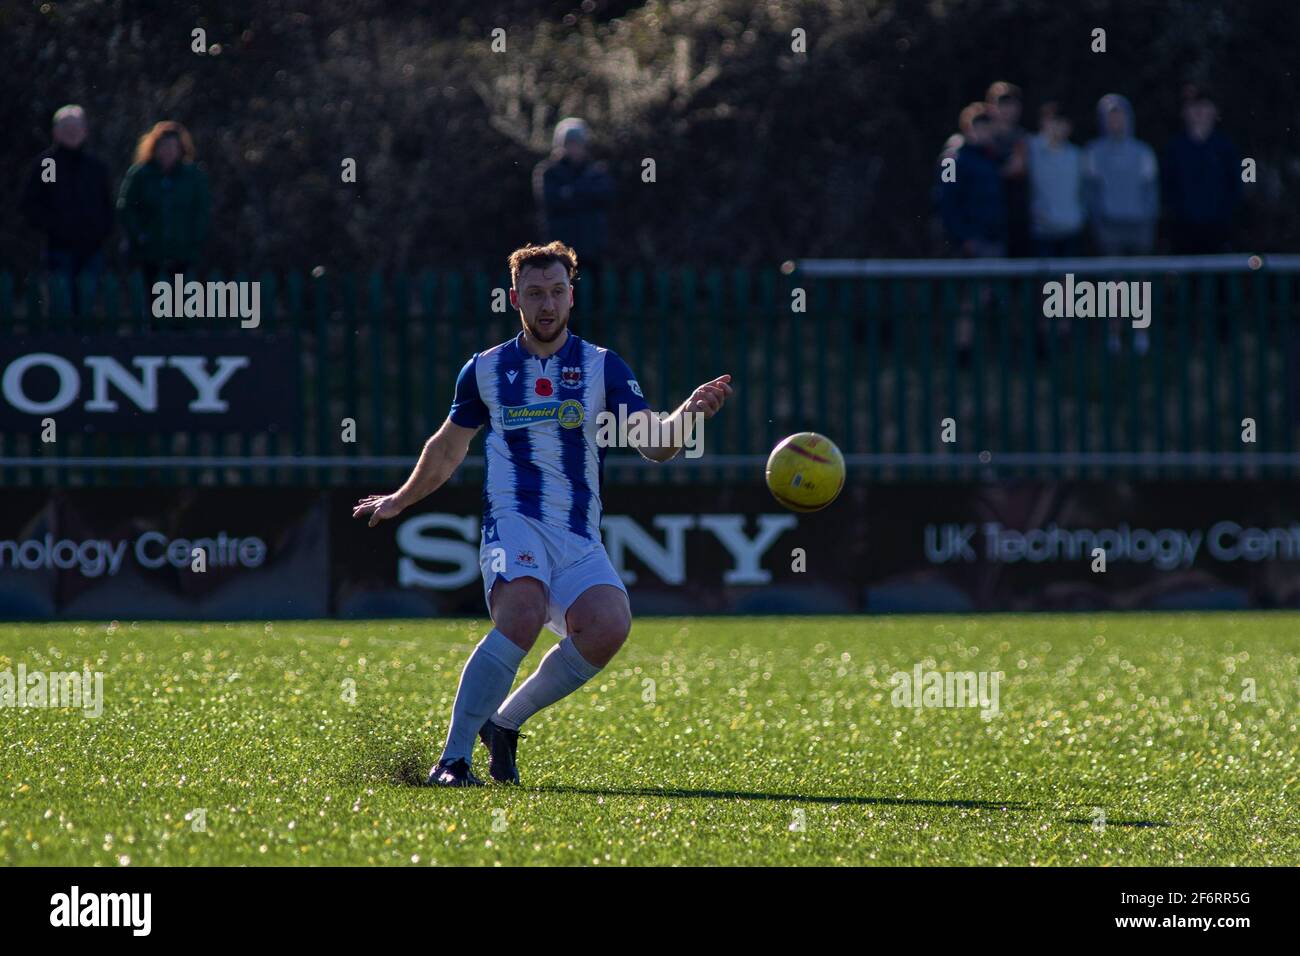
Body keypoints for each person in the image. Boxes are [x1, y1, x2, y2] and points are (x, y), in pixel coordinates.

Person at [352, 242, 733, 787]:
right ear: (515, 299)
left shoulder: (603, 366)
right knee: (522, 613)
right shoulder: (485, 369)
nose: (547, 303)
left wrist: (688, 415)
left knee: (608, 626)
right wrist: (399, 499)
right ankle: (452, 760)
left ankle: (504, 724)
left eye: (557, 291)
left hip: (577, 534)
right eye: (535, 293)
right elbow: (446, 449)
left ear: (571, 296)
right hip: (513, 522)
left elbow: (655, 444)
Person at [19, 105, 114, 314]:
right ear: (55, 132)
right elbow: (33, 204)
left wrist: (100, 232)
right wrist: (55, 227)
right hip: (59, 249)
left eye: (76, 127)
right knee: (61, 304)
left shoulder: (95, 167)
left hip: (92, 250)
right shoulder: (48, 166)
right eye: (66, 127)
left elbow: (108, 205)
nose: (72, 132)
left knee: (88, 304)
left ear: (85, 130)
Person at [117, 121, 211, 278]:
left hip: (183, 252)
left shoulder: (193, 176)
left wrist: (193, 238)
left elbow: (202, 209)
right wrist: (139, 235)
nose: (168, 151)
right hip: (147, 252)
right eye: (164, 146)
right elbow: (126, 207)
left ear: (181, 149)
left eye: (173, 146)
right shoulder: (140, 174)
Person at [1163, 87, 1240, 254]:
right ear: (1184, 112)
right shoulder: (1173, 148)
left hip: (1219, 229)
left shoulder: (1227, 148)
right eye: (1193, 107)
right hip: (1182, 231)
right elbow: (1167, 187)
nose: (1198, 112)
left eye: (1204, 106)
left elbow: (1236, 185)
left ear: (1215, 111)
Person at [533, 118, 615, 271]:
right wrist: (585, 193)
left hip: (593, 246)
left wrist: (571, 192)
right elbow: (551, 201)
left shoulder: (596, 171)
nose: (574, 148)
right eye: (569, 143)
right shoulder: (548, 171)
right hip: (561, 248)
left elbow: (605, 196)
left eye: (577, 143)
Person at [1082, 94, 1159, 256]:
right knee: (1113, 280)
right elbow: (1090, 192)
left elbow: (1151, 191)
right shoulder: (1093, 151)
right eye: (1110, 115)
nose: (1115, 120)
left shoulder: (1143, 151)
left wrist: (1147, 222)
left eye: (1119, 114)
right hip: (1108, 227)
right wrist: (1098, 223)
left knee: (1140, 280)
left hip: (1139, 227)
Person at [937, 102, 1008, 258]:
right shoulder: (951, 160)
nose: (987, 133)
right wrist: (963, 237)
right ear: (969, 128)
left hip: (992, 239)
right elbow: (945, 201)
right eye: (982, 128)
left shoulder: (994, 158)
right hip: (966, 243)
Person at [1027, 102, 1086, 257]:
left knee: (1067, 280)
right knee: (1044, 281)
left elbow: (1083, 190)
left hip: (1071, 229)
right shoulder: (1029, 150)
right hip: (1041, 231)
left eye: (1060, 122)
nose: (1056, 127)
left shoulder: (1076, 155)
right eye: (1052, 121)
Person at [986, 81, 1031, 257]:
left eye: (1011, 104)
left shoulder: (1025, 139)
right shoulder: (981, 140)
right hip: (989, 223)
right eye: (1002, 104)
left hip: (1020, 220)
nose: (1007, 110)